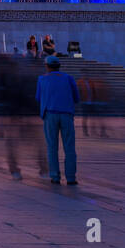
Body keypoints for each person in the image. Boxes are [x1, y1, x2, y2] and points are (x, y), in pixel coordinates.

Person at [36, 55, 79, 185]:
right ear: (59, 66)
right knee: (70, 147)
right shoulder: (68, 78)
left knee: (52, 147)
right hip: (66, 114)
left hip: (50, 115)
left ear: (47, 66)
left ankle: (55, 176)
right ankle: (71, 178)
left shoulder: (42, 79)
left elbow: (38, 97)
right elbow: (76, 97)